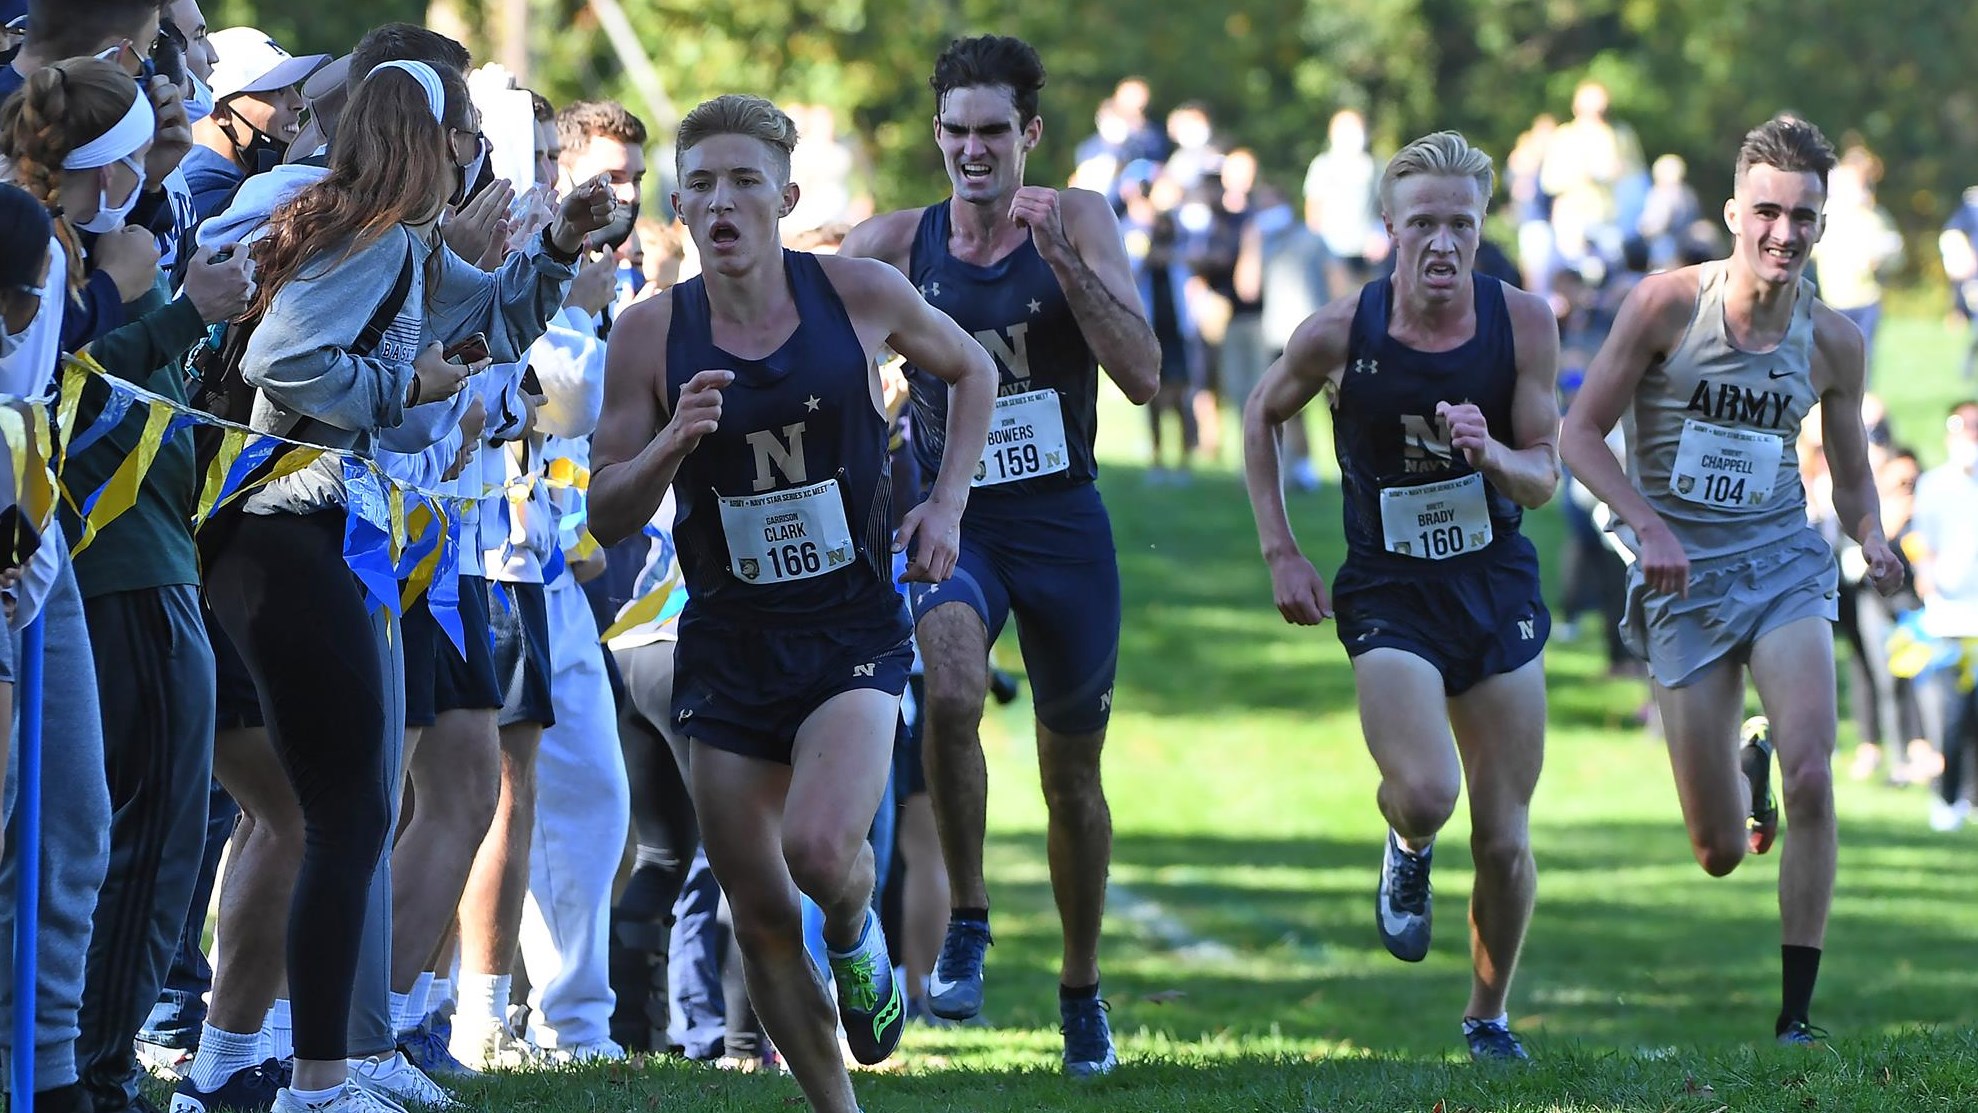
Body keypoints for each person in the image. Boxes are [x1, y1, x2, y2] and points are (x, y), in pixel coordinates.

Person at [590, 92, 993, 1113]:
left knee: (820, 854)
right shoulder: (648, 335)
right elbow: (602, 510)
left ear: (786, 197)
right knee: (760, 912)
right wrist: (670, 443)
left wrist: (944, 506)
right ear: (679, 206)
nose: (723, 203)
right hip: (724, 641)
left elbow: (973, 368)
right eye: (704, 186)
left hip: (847, 632)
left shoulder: (856, 293)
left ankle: (858, 934)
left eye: (744, 183)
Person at [838, 34, 1158, 1077]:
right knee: (954, 691)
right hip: (952, 518)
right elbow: (794, 322)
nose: (974, 152)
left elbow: (1145, 373)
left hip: (1064, 526)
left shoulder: (1079, 220)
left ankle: (1080, 987)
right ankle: (967, 917)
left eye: (993, 133)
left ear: (1029, 135)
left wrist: (1062, 258)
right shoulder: (896, 241)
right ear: (937, 136)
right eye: (957, 133)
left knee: (1073, 781)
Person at [1559, 115, 1904, 1045]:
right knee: (1716, 851)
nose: (1784, 233)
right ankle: (1746, 768)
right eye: (1767, 212)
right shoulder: (1666, 305)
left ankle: (1796, 1015)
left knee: (1818, 777)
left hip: (1785, 565)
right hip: (1683, 582)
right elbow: (1578, 436)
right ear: (1733, 213)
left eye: (1803, 216)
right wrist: (1648, 525)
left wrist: (1870, 534)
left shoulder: (1833, 341)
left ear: (1824, 225)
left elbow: (1852, 468)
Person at [1241, 130, 1561, 1061]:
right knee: (1425, 791)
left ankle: (1487, 1016)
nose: (1442, 243)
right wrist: (1281, 553)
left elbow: (1544, 477)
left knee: (1504, 839)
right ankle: (1409, 848)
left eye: (1460, 223)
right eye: (1422, 222)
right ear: (1388, 225)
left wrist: (1493, 453)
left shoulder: (1524, 324)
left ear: (1481, 226)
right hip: (1389, 589)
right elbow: (1262, 417)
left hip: (1492, 583)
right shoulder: (1343, 332)